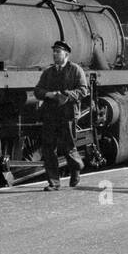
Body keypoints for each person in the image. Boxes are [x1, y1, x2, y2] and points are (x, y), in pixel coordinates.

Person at [34, 40, 89, 190]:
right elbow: (37, 90)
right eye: (54, 51)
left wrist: (66, 95)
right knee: (48, 148)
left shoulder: (76, 70)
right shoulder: (48, 72)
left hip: (68, 114)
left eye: (58, 52)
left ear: (66, 54)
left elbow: (84, 90)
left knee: (68, 147)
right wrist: (49, 94)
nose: (55, 54)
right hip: (50, 114)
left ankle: (76, 168)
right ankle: (54, 182)